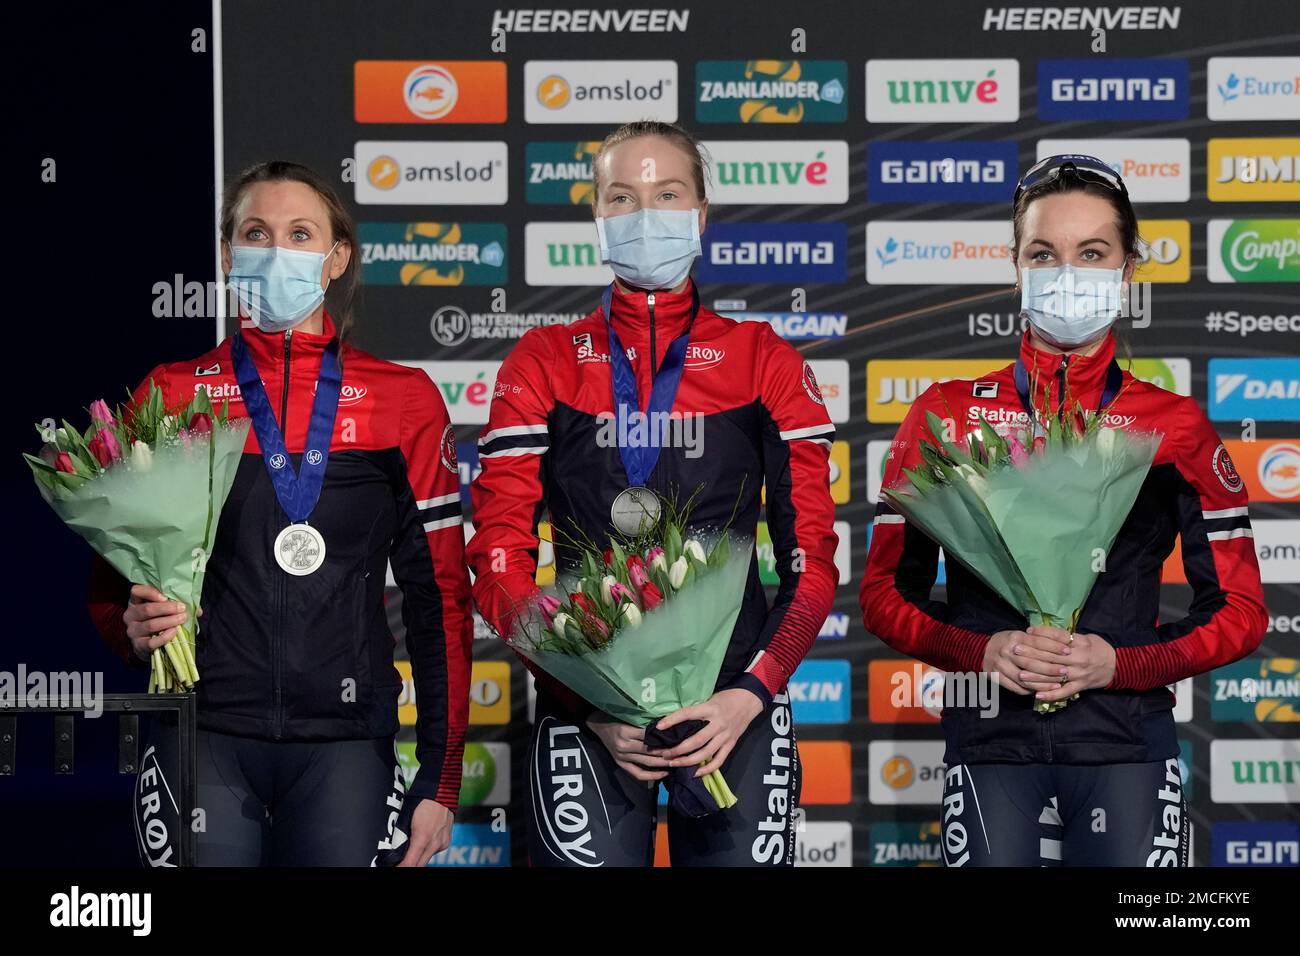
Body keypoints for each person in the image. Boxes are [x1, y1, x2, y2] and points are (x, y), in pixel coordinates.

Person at [859, 154, 1269, 867]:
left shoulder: (1172, 426)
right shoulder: (944, 416)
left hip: (1126, 744)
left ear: (1128, 270)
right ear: (1016, 266)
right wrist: (978, 651)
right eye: (1044, 253)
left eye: (1092, 253)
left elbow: (1240, 612)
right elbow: (882, 596)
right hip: (990, 746)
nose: (1067, 271)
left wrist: (1123, 664)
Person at [466, 121, 839, 867]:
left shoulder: (762, 360)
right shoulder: (542, 361)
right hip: (589, 712)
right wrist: (584, 702)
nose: (645, 214)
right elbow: (498, 559)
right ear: (599, 218)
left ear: (701, 215)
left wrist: (751, 694)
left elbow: (813, 564)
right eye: (622, 197)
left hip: (734, 709)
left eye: (667, 195)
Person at [88, 161, 473, 866]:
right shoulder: (172, 394)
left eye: (300, 234)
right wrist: (131, 627)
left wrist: (441, 780)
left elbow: (439, 598)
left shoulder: (404, 400)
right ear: (229, 256)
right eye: (257, 234)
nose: (277, 252)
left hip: (346, 743)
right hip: (202, 734)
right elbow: (113, 586)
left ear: (336, 258)